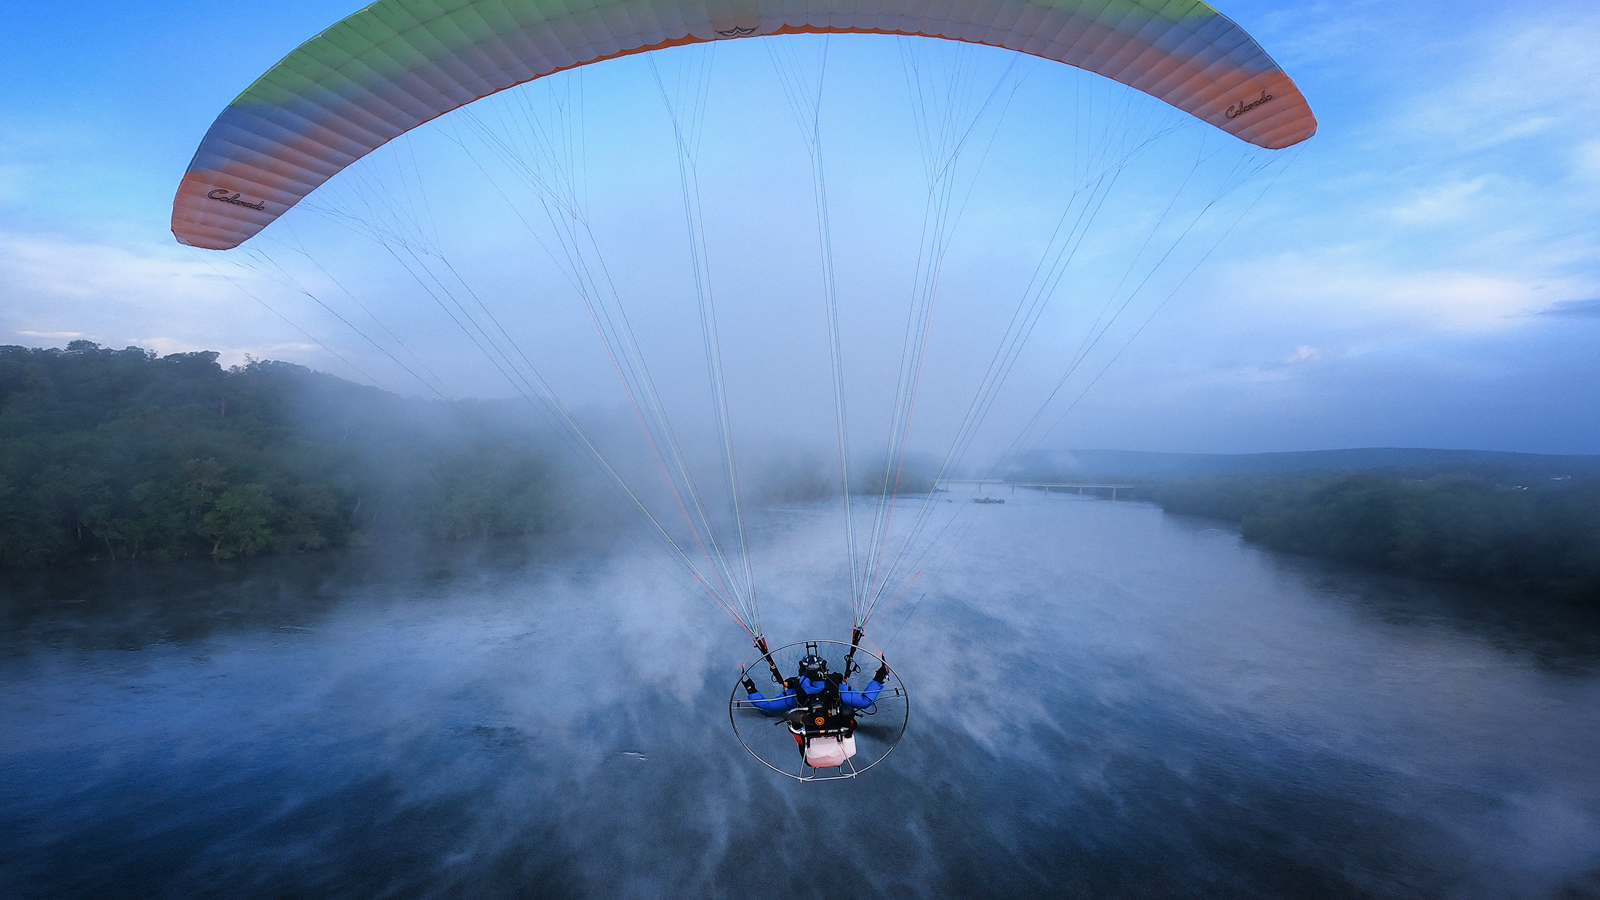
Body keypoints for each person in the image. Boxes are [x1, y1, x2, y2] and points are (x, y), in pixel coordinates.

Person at [741, 646, 891, 769]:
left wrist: (750, 687)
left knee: (794, 722)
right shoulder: (837, 689)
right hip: (838, 729)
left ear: (801, 671)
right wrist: (880, 676)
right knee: (848, 714)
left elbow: (767, 709)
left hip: (808, 739)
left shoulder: (795, 694)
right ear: (824, 670)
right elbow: (865, 701)